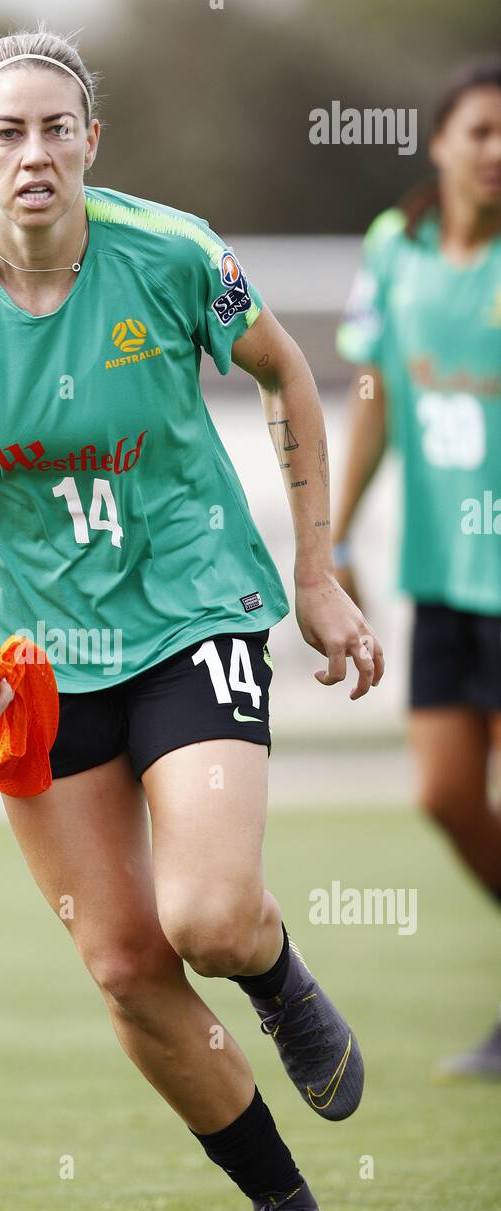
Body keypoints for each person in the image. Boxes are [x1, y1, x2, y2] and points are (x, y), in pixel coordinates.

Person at [0, 25, 384, 1211]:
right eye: (6, 131)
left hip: (189, 609)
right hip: (32, 659)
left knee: (203, 918)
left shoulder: (171, 253)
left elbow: (286, 376)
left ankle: (274, 970)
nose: (31, 153)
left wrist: (312, 572)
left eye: (55, 128)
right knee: (124, 963)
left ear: (90, 142)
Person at [335, 56, 501, 1079]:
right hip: (441, 579)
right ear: (437, 142)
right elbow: (372, 396)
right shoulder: (392, 250)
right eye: (477, 131)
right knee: (443, 795)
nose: (494, 151)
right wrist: (337, 536)